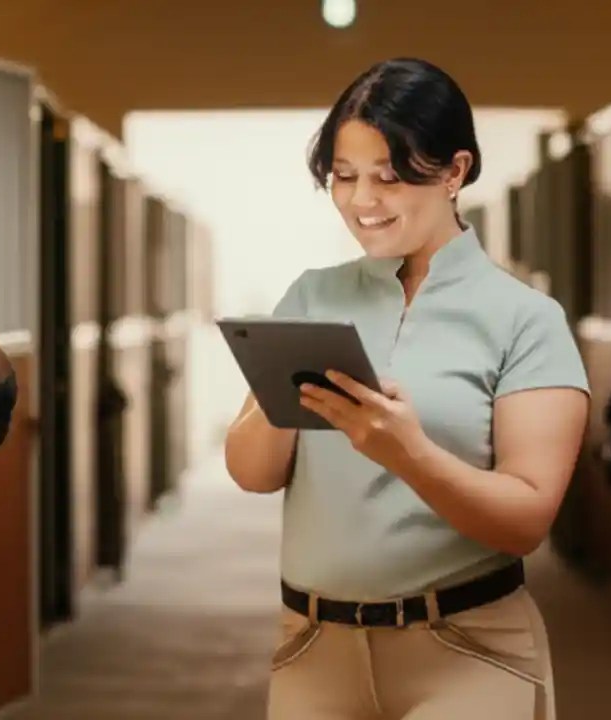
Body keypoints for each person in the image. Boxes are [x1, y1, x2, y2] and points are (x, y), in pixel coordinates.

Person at [222, 57, 589, 720]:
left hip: (468, 649)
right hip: (312, 648)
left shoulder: (525, 320)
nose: (363, 201)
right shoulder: (310, 295)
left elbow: (527, 520)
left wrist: (407, 452)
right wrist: (282, 391)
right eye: (344, 176)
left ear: (455, 171)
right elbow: (252, 472)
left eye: (390, 178)